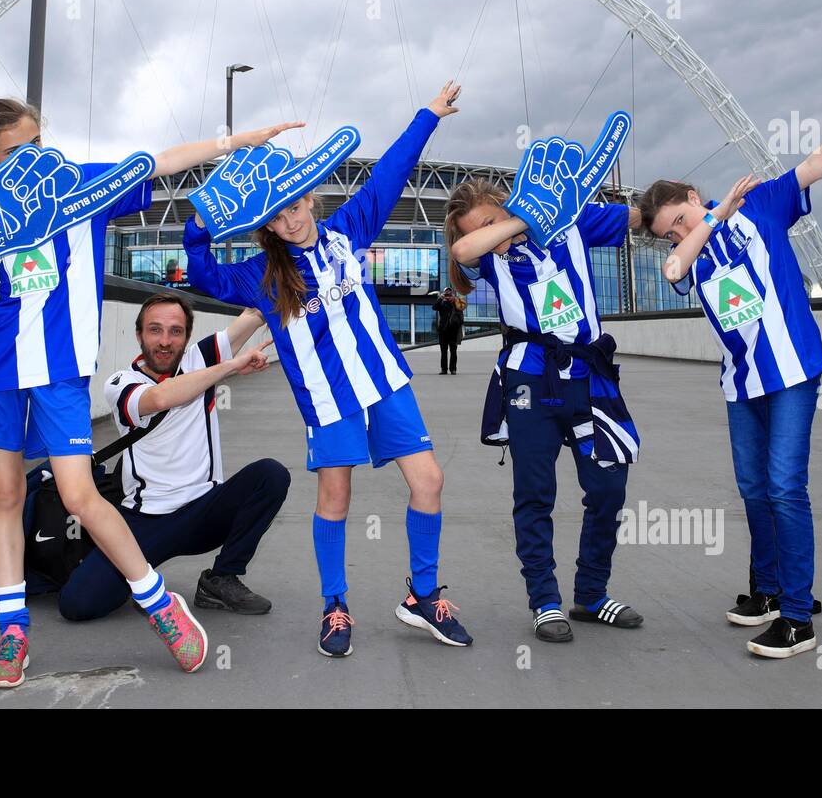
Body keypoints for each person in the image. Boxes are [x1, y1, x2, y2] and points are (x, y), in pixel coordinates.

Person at [0, 96, 303, 685]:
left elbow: (160, 162)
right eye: (16, 150)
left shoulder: (76, 191)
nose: (30, 159)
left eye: (38, 145)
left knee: (79, 496)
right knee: (6, 498)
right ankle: (13, 634)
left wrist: (236, 142)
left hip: (60, 374)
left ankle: (162, 607)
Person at [183, 80, 474, 658]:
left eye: (294, 205)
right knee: (335, 501)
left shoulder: (348, 231)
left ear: (310, 197)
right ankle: (335, 606)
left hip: (386, 385)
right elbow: (200, 272)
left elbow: (390, 172)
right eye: (275, 216)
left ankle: (421, 595)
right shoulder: (260, 277)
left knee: (430, 481)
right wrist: (201, 214)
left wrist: (427, 116)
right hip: (328, 400)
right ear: (264, 226)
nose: (290, 220)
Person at [637, 84, 822, 659]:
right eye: (669, 229)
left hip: (790, 370)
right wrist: (709, 219)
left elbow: (816, 163)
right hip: (740, 383)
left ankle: (797, 617)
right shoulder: (692, 245)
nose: (677, 232)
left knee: (786, 488)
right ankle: (766, 590)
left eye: (679, 218)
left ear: (692, 194)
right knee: (753, 488)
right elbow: (673, 267)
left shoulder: (764, 203)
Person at [444, 178, 645, 643]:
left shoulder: (572, 224)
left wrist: (699, 213)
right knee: (535, 494)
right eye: (487, 228)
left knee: (608, 487)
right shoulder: (491, 259)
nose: (497, 234)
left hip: (590, 378)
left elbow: (640, 216)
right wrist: (519, 220)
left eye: (495, 220)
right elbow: (464, 251)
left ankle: (592, 594)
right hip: (530, 383)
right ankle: (545, 602)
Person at [57, 294, 288, 620]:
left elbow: (255, 312)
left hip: (203, 513)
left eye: (175, 332)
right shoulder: (121, 382)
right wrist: (231, 366)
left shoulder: (199, 360)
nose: (165, 341)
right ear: (140, 336)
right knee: (78, 605)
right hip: (144, 521)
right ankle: (138, 576)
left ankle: (220, 578)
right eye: (155, 330)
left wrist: (285, 269)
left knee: (271, 475)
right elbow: (160, 397)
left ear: (186, 338)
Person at [432, 288, 467, 375]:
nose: (447, 295)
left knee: (453, 351)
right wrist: (440, 298)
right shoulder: (442, 302)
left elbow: (462, 308)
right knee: (443, 351)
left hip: (453, 330)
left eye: (449, 293)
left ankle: (453, 369)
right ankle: (444, 369)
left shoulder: (456, 302)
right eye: (446, 293)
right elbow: (434, 307)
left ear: (452, 294)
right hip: (443, 330)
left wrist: (455, 299)